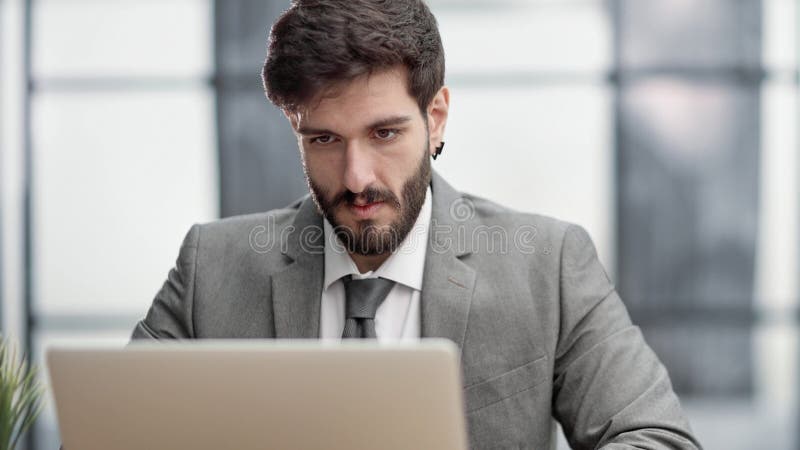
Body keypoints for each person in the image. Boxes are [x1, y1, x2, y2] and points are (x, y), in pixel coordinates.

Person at [132, 0, 701, 448]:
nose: (357, 178)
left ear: (435, 118)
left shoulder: (548, 265)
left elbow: (656, 439)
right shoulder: (212, 266)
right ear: (295, 127)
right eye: (324, 139)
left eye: (384, 134)